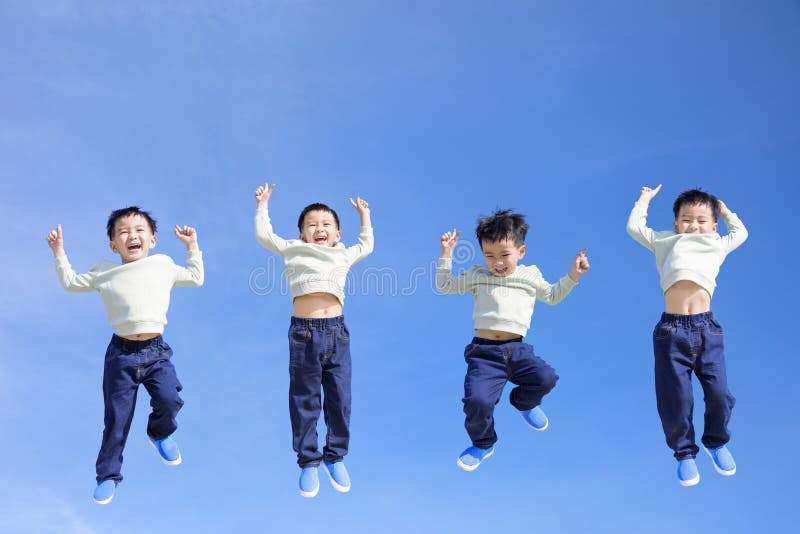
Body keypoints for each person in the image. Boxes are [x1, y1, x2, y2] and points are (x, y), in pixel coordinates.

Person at [46, 206, 204, 504]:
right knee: (116, 420)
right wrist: (59, 253)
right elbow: (70, 283)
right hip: (121, 355)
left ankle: (159, 433)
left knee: (170, 399)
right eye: (123, 232)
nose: (132, 235)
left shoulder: (163, 264)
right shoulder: (105, 271)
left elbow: (196, 277)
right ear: (113, 244)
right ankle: (108, 475)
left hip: (156, 351)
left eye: (139, 230)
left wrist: (192, 247)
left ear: (153, 240)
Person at [436, 209, 589, 471]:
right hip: (484, 354)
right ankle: (484, 444)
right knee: (477, 403)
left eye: (505, 255)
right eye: (489, 256)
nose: (497, 263)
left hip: (517, 350)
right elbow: (444, 286)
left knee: (546, 377)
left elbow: (552, 295)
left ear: (521, 252)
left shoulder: (529, 276)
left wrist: (573, 276)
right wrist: (446, 254)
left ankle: (524, 402)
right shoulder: (477, 276)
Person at [253, 183, 373, 498]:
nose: (319, 228)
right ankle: (308, 460)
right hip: (303, 333)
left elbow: (367, 245)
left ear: (337, 234)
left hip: (336, 332)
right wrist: (263, 205)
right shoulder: (293, 249)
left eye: (326, 225)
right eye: (311, 225)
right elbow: (266, 236)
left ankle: (335, 456)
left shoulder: (343, 253)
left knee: (340, 398)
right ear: (302, 234)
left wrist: (365, 216)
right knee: (304, 399)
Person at [626, 184, 748, 487]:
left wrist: (725, 210)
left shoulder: (717, 243)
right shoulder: (666, 241)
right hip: (671, 331)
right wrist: (644, 200)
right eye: (686, 219)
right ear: (675, 224)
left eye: (701, 220)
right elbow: (634, 228)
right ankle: (684, 453)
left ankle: (716, 442)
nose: (693, 225)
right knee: (676, 398)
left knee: (720, 394)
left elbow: (741, 233)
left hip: (707, 329)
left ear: (713, 226)